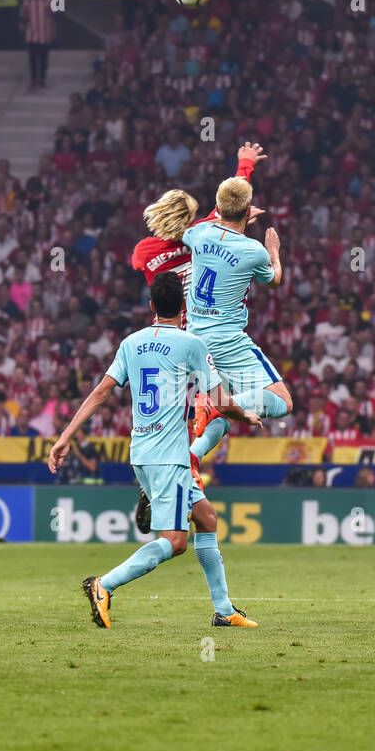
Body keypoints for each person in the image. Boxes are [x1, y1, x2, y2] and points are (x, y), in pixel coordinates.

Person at [48, 273, 263, 629]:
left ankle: (224, 610)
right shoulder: (191, 343)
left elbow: (101, 391)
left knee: (207, 518)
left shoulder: (131, 343)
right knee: (176, 542)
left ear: (151, 306)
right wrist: (247, 415)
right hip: (168, 457)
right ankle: (105, 584)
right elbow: (221, 401)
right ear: (184, 308)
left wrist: (65, 436)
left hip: (142, 452)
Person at [128, 141, 266, 531]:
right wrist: (245, 164)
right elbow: (229, 205)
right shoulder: (203, 235)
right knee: (221, 411)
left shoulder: (144, 251)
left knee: (183, 419)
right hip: (205, 340)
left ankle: (166, 481)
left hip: (166, 343)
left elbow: (145, 259)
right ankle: (185, 470)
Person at [184, 173, 293, 477]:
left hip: (193, 341)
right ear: (248, 211)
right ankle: (214, 406)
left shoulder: (198, 233)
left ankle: (192, 457)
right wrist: (273, 249)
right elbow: (274, 280)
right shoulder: (253, 250)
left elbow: (210, 225)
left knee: (228, 413)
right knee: (282, 400)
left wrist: (233, 216)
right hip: (227, 342)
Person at [20, 0, 55, 90]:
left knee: (44, 59)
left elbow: (52, 17)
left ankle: (42, 80)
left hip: (45, 33)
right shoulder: (27, 1)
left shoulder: (47, 0)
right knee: (33, 58)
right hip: (31, 33)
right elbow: (24, 17)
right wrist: (22, 26)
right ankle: (33, 80)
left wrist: (53, 32)